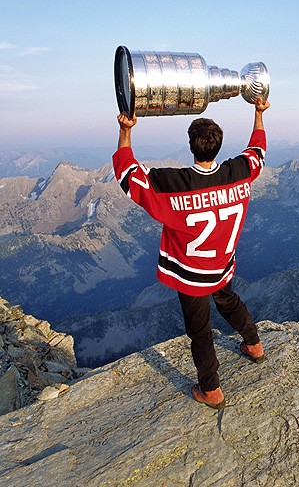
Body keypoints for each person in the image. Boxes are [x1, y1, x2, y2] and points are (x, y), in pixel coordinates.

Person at [113, 99, 270, 409]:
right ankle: (254, 343)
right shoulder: (238, 172)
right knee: (228, 300)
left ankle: (211, 388)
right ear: (218, 145)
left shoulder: (175, 185)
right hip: (222, 263)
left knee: (199, 330)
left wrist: (125, 130)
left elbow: (127, 175)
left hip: (191, 274)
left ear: (191, 146)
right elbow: (258, 151)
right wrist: (259, 112)